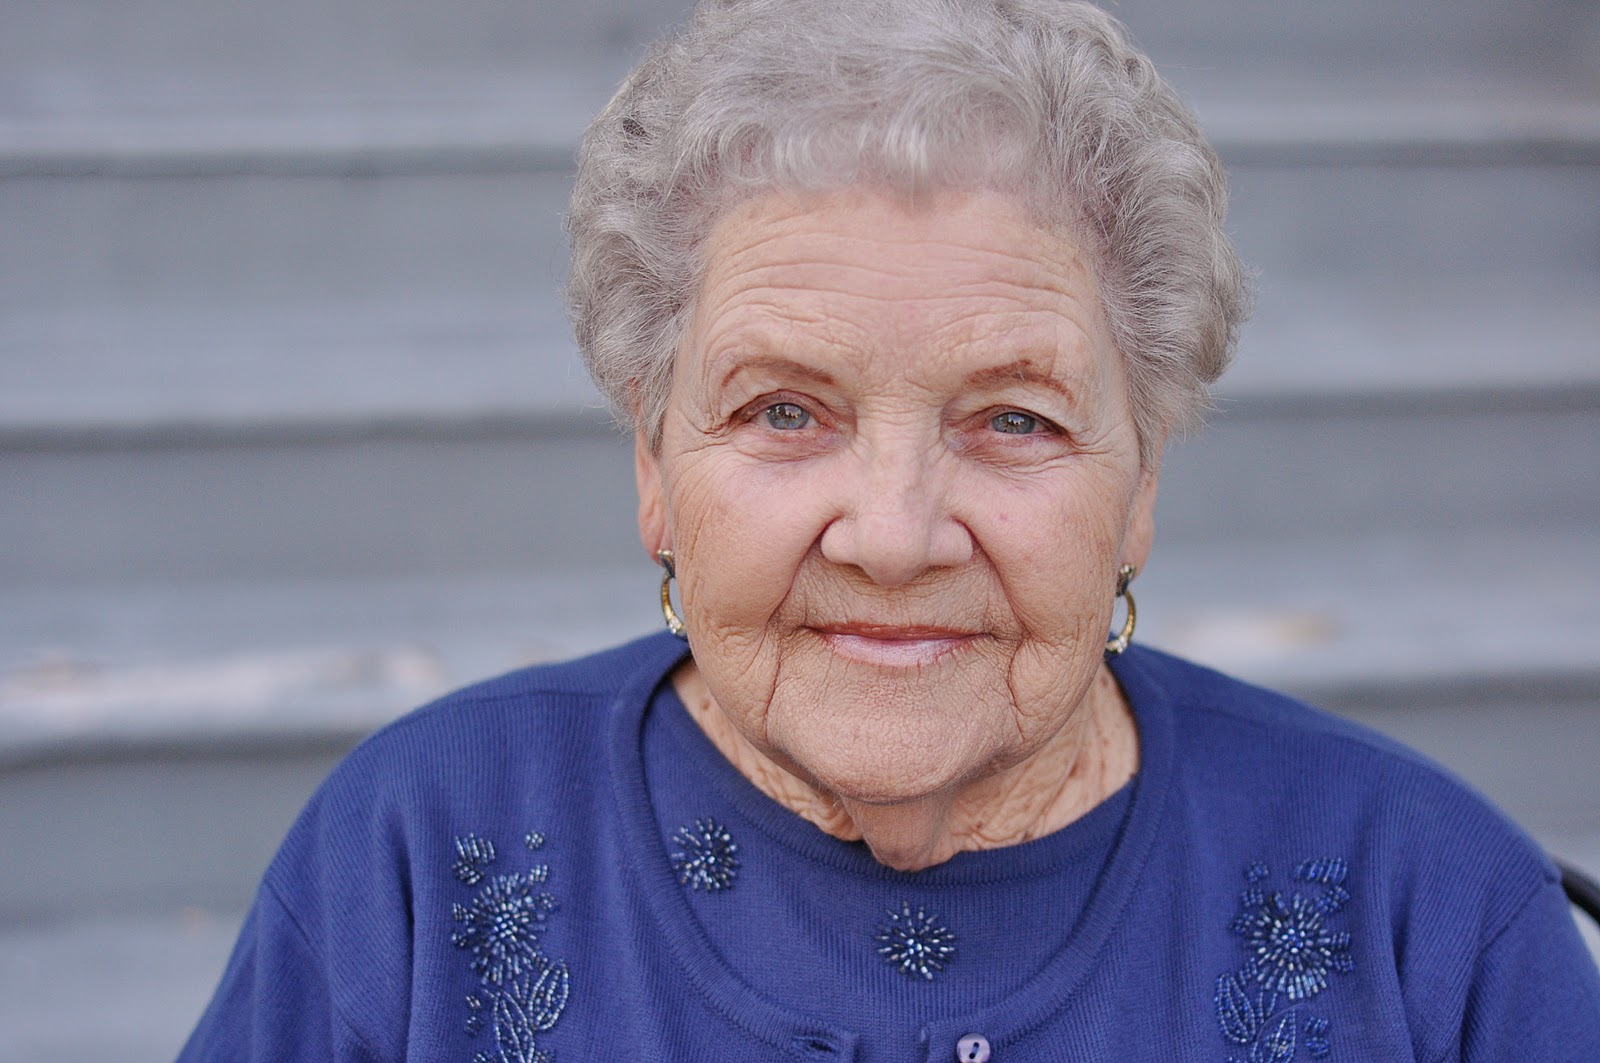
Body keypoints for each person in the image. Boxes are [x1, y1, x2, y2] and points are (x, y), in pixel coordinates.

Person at [178, 1, 1600, 1059]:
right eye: (787, 411)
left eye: (1016, 418)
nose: (896, 534)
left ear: (1141, 485)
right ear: (655, 468)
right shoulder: (419, 854)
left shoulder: (1430, 911)